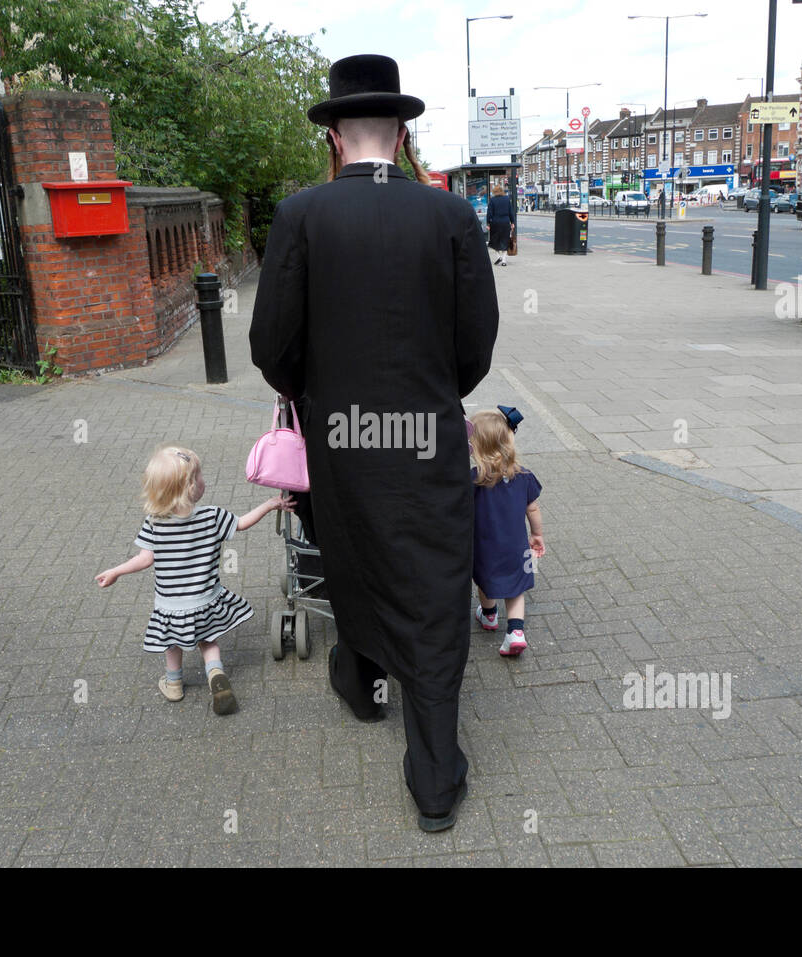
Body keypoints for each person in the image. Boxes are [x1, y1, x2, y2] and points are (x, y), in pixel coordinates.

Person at [249, 54, 499, 832]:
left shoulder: (300, 217)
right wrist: (432, 392)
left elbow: (271, 346)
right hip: (426, 433)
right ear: (401, 132)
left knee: (351, 557)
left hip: (341, 436)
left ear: (334, 137)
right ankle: (432, 776)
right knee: (429, 581)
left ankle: (358, 681)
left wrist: (313, 395)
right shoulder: (451, 217)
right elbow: (476, 343)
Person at [94, 445, 292, 715]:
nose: (204, 481)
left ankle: (174, 683)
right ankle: (216, 676)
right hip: (205, 600)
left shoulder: (154, 524)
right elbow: (243, 523)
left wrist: (116, 570)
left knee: (172, 643)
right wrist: (270, 505)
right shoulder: (212, 517)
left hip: (171, 606)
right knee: (208, 639)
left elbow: (144, 559)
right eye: (199, 476)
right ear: (189, 488)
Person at [468, 409, 545, 657]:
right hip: (517, 547)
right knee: (516, 589)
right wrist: (537, 535)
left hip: (485, 547)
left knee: (484, 578)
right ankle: (515, 632)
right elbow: (533, 508)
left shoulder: (473, 480)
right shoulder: (523, 476)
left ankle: (489, 615)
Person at [486, 184, 516, 266]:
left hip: (495, 223)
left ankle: (499, 256)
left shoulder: (492, 200)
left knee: (494, 241)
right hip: (505, 222)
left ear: (494, 192)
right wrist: (512, 222)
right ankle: (504, 261)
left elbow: (489, 213)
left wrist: (488, 223)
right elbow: (511, 212)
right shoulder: (506, 199)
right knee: (505, 241)